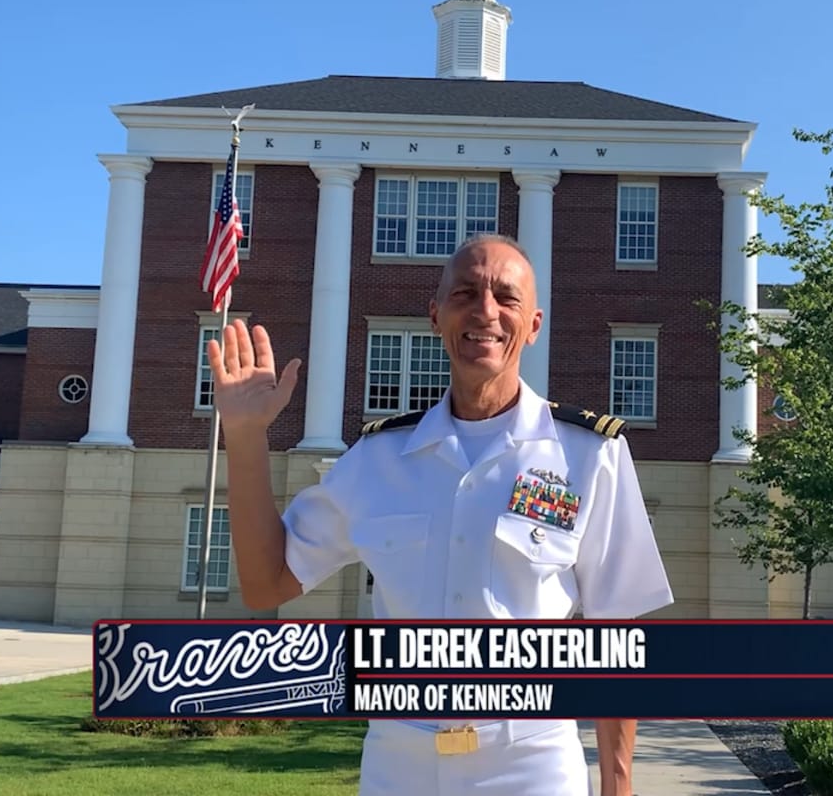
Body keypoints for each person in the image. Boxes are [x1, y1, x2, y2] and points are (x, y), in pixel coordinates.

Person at [209, 233, 674, 796]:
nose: (486, 311)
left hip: (531, 765)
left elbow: (615, 630)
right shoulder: (378, 459)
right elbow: (267, 583)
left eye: (506, 297)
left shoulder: (588, 455)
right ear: (435, 316)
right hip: (398, 765)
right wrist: (245, 434)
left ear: (533, 325)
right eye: (465, 293)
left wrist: (618, 785)